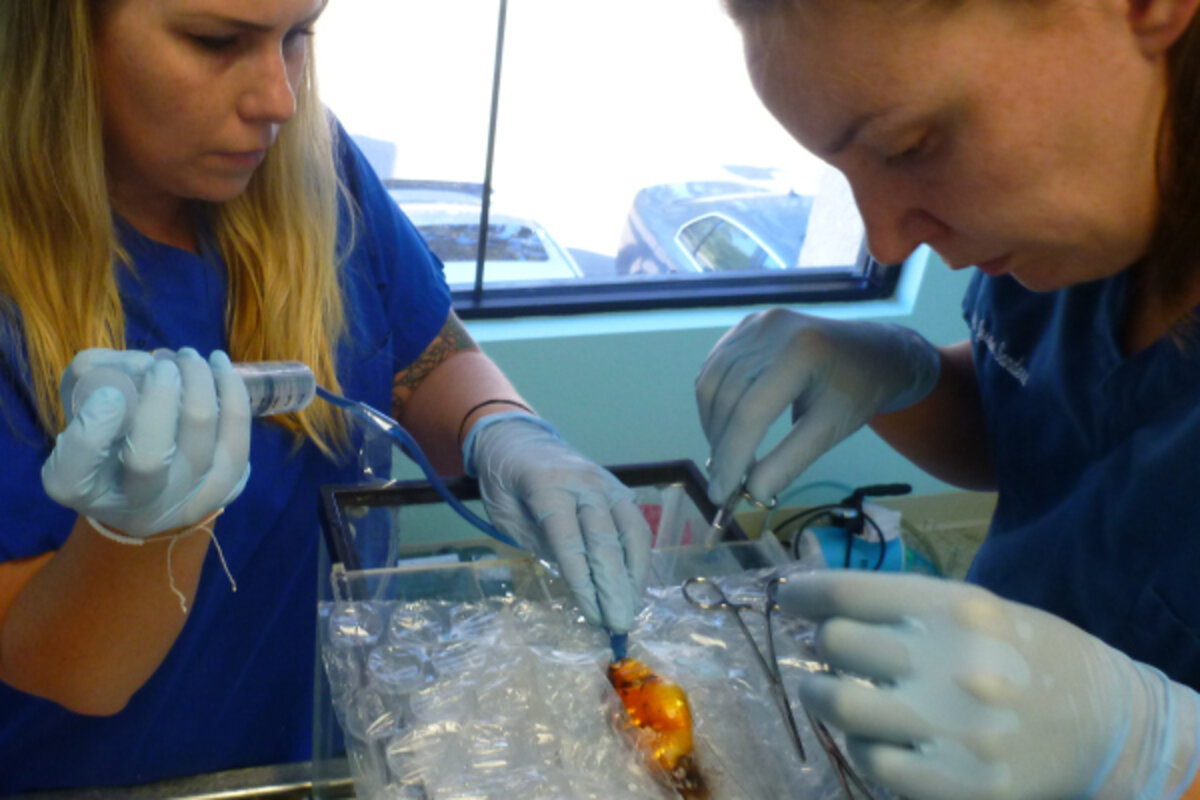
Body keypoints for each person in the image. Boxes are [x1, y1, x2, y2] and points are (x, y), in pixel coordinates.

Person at [0, 0, 649, 793]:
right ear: (60, 37)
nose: (278, 98)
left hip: (332, 750)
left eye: (298, 35)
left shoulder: (311, 158)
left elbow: (422, 352)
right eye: (215, 41)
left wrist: (504, 432)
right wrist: (138, 536)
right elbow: (77, 677)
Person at [698, 0, 1200, 797]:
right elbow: (1038, 433)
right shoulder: (1077, 234)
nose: (888, 241)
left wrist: (1160, 751)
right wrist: (908, 377)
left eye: (908, 147)